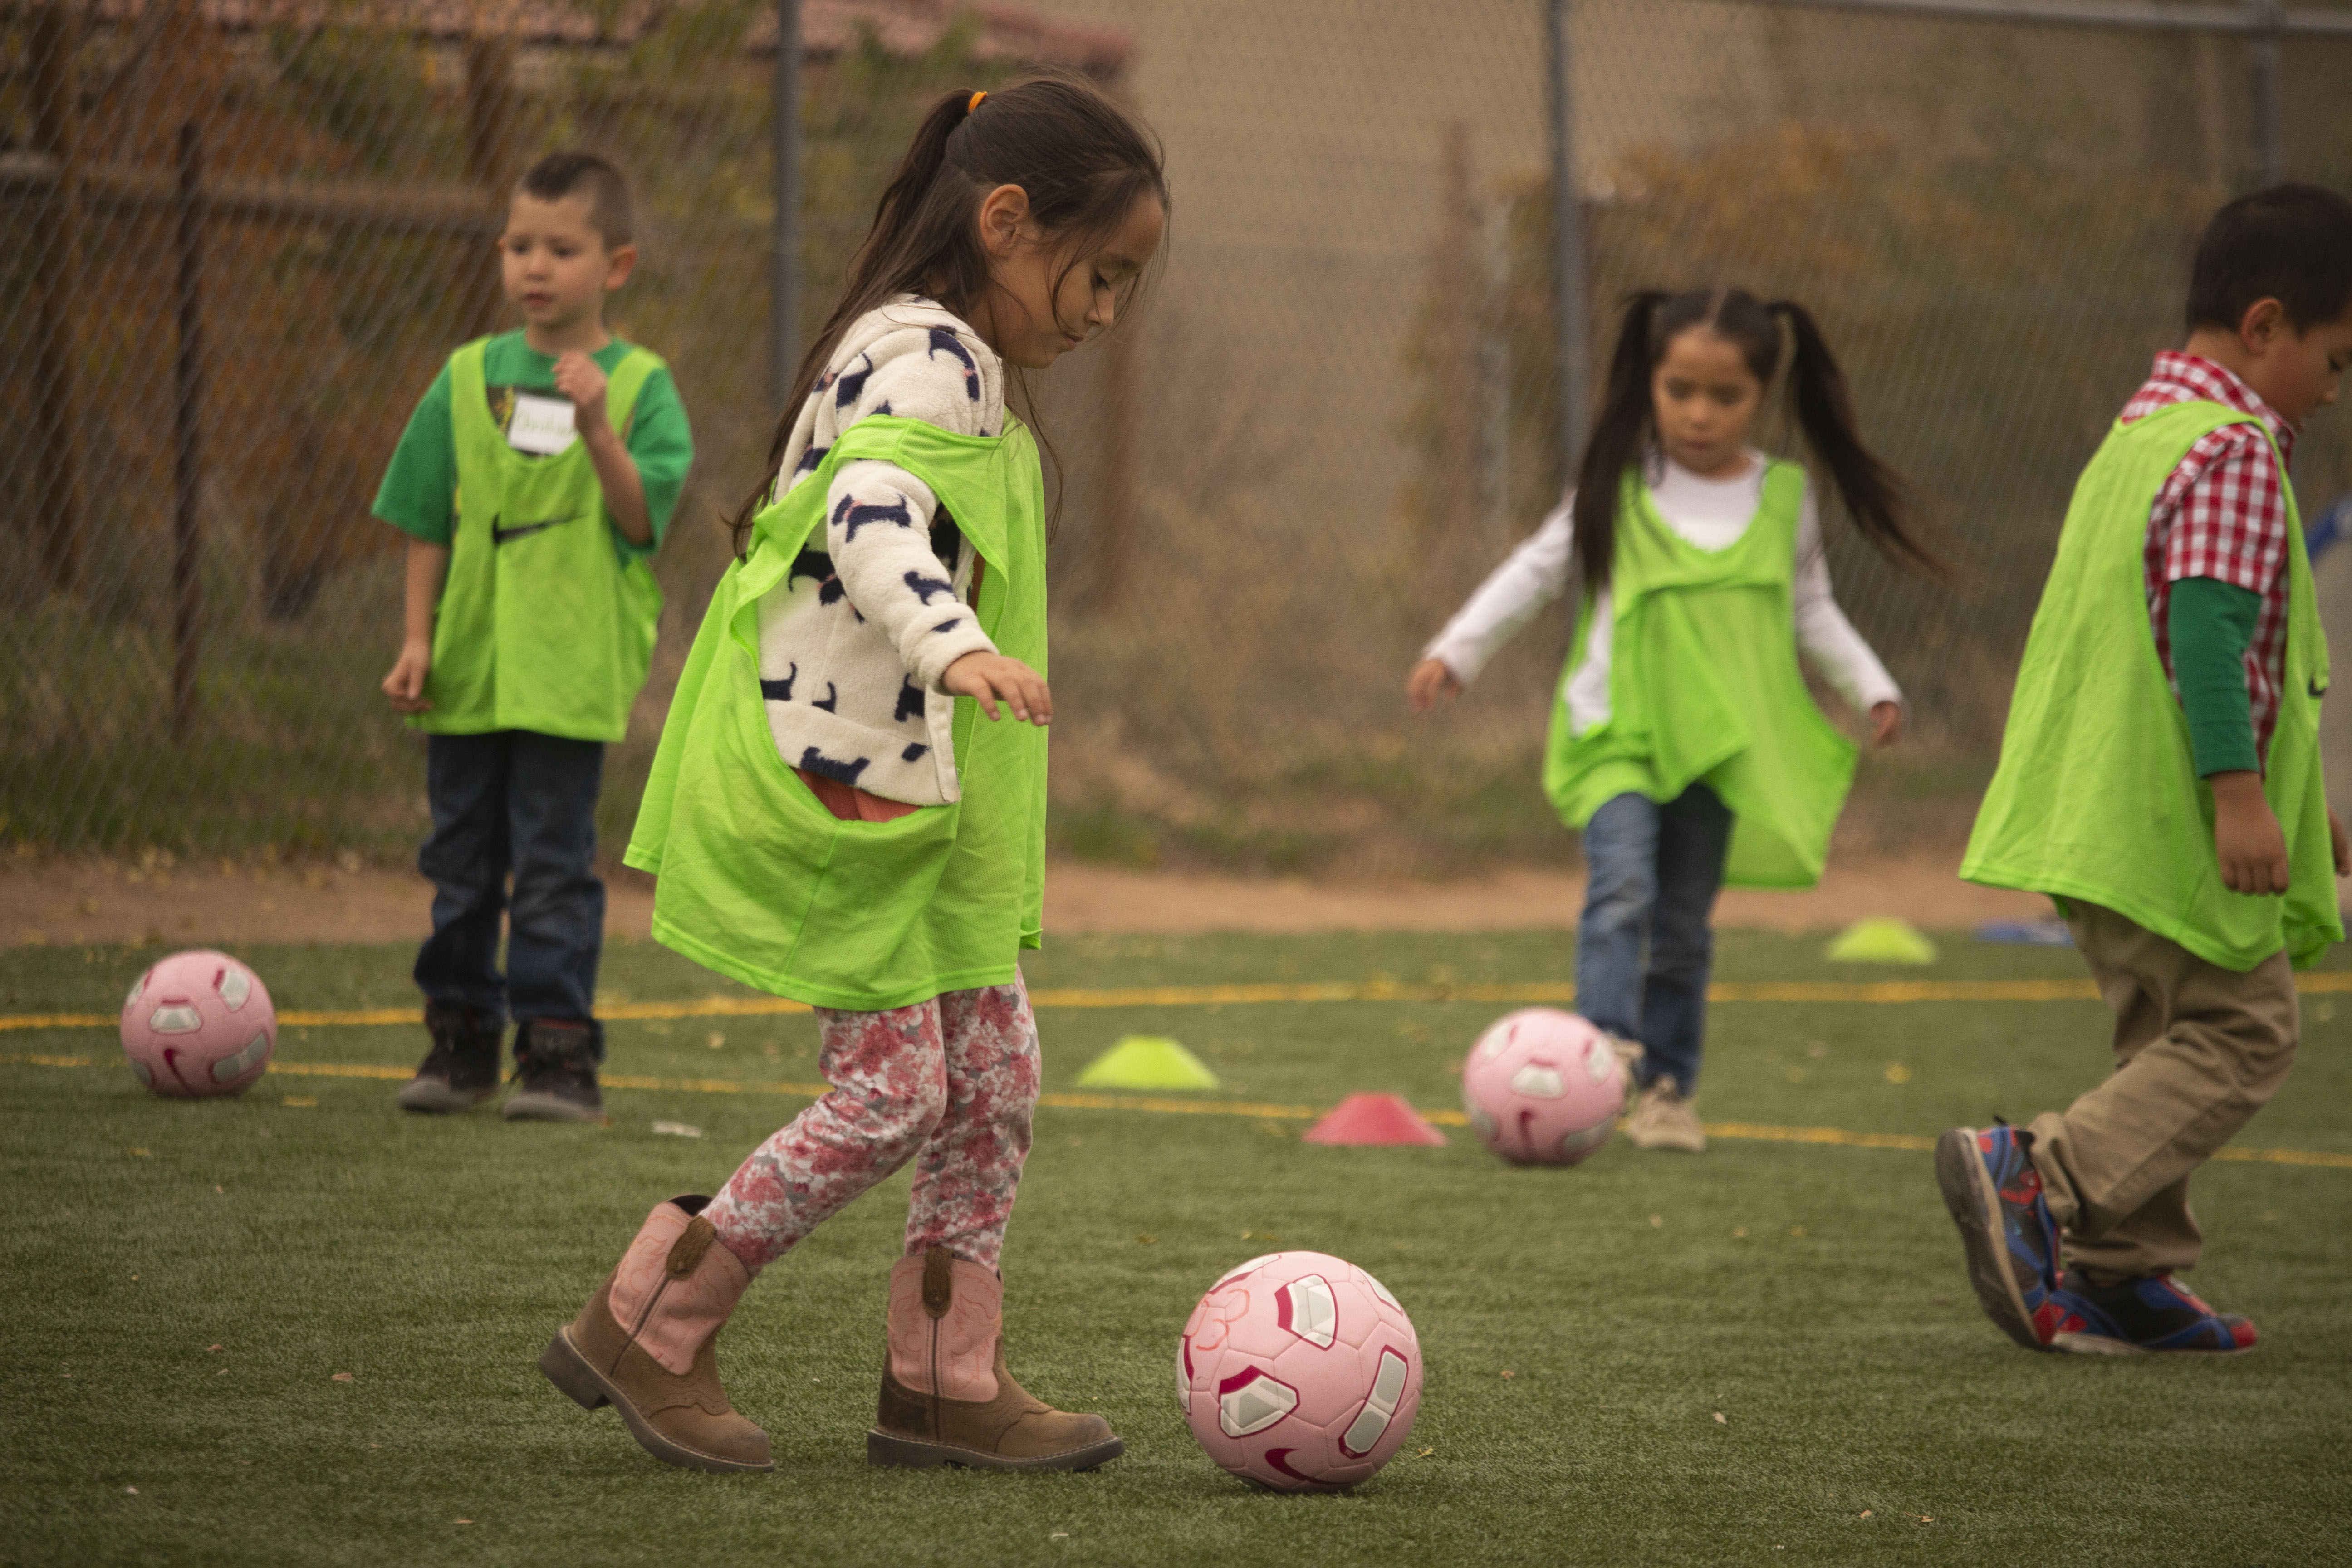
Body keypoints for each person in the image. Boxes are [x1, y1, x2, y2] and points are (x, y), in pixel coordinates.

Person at [535, 78, 1166, 1474]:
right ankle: (655, 1316)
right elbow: (870, 513)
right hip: (849, 780)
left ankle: (943, 1379)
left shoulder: (963, 358)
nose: (1109, 311)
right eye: (1101, 273)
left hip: (925, 788)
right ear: (1007, 221)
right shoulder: (925, 354)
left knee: (994, 1072)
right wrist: (953, 649)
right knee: (893, 1094)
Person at [1942, 184, 2352, 1357]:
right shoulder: (2228, 451)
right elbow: (2208, 632)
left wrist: (2296, 806)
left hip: (2096, 816)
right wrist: (2236, 797)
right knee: (2245, 1034)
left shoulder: (2142, 434)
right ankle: (2040, 1176)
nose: (2335, 389)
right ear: (2265, 326)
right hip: (2167, 818)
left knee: (2166, 1038)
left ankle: (2125, 1272)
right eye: (2336, 358)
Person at [1409, 289, 1934, 1152]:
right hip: (1616, 732)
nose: (1699, 413)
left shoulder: (1783, 498)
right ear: (1651, 383)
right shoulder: (1618, 483)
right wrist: (1456, 651)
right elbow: (1537, 570)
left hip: (1717, 749)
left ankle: (1667, 1092)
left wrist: (1875, 686)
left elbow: (1812, 610)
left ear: (1762, 395)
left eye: (1724, 396)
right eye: (1679, 389)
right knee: (1622, 886)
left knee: (1684, 929)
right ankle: (1603, 1054)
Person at [373, 151, 693, 1122]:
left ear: (618, 265)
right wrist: (417, 639)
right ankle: (459, 1041)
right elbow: (428, 518)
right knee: (460, 862)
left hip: (567, 679)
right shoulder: (465, 375)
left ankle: (557, 1058)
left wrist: (599, 430)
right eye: (520, 246)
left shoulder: (640, 386)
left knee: (553, 867)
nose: (536, 267)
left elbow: (643, 525)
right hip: (468, 671)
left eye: (563, 248)